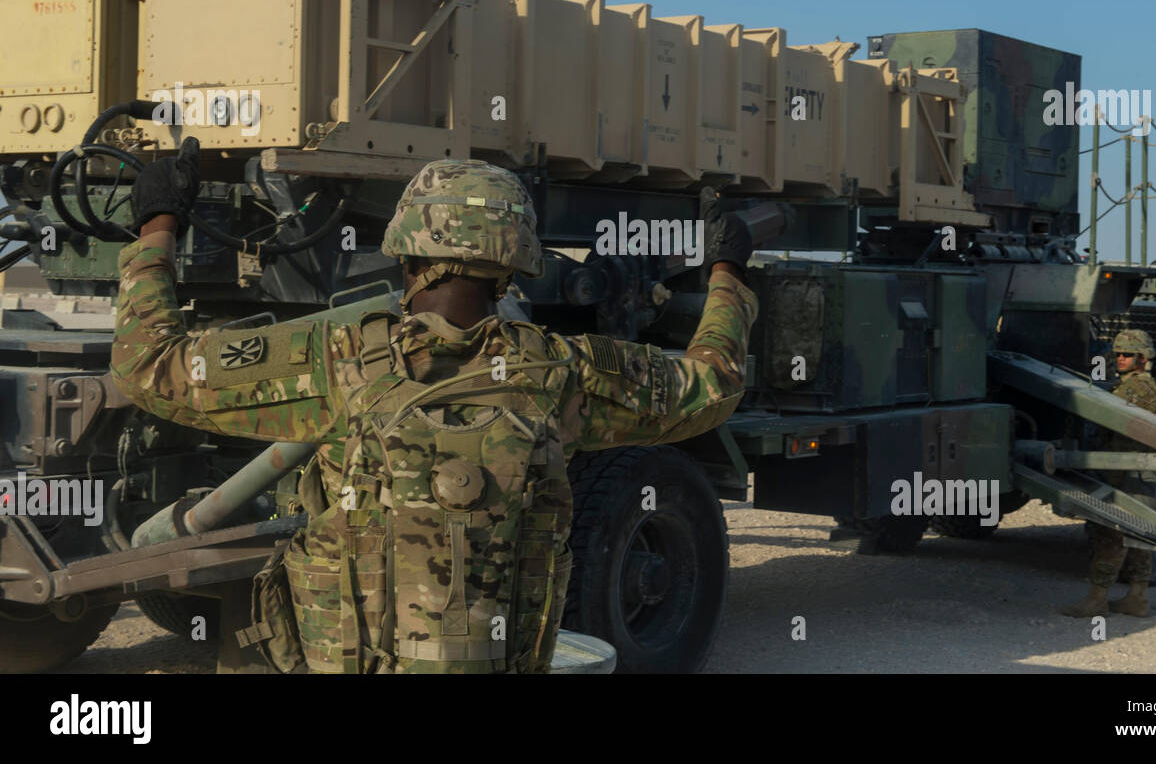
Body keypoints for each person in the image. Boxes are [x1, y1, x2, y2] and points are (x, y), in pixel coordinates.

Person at [111, 145, 758, 673]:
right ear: (511, 266)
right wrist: (726, 270)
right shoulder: (565, 374)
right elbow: (712, 382)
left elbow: (150, 365)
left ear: (409, 254)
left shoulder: (335, 360)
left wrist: (158, 224)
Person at [1060, 329, 1156, 619]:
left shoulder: (1137, 389)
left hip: (1130, 474)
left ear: (1142, 359)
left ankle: (1096, 599)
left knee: (1111, 537)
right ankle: (1138, 597)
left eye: (1128, 354)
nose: (1120, 358)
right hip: (1141, 474)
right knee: (1139, 539)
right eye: (1117, 353)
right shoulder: (1138, 386)